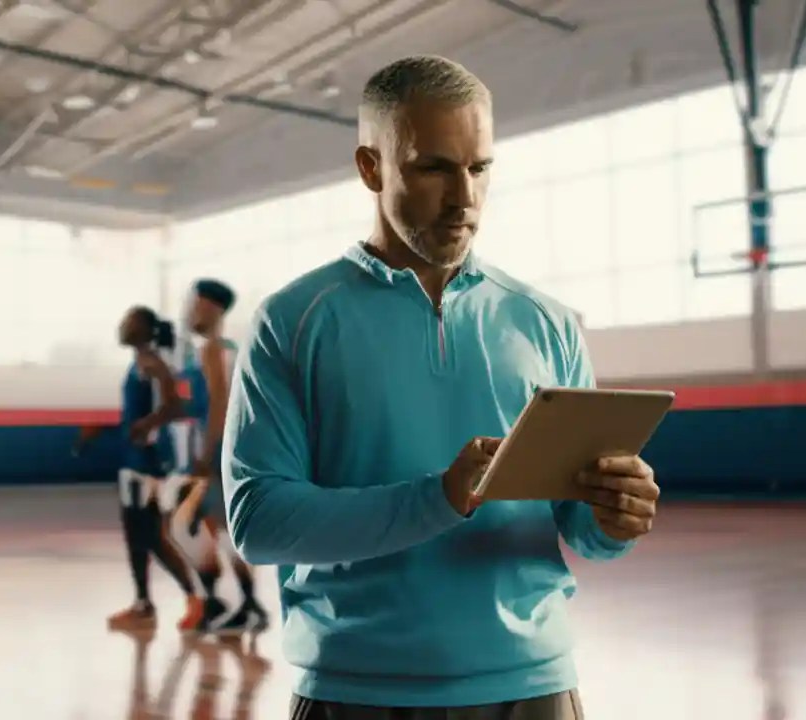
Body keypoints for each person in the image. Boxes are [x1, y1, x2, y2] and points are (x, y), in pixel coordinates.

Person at [220, 56, 661, 719]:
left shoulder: (544, 322)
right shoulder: (293, 321)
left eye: (479, 169)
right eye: (434, 169)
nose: (464, 198)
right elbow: (259, 521)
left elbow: (583, 526)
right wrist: (439, 498)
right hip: (353, 691)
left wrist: (615, 516)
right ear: (371, 167)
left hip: (531, 689)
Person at [75, 306, 205, 632]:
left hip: (145, 463)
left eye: (130, 320)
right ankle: (143, 604)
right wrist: (102, 430)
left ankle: (195, 597)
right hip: (131, 460)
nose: (123, 324)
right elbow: (136, 418)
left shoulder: (151, 362)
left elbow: (175, 405)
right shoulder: (138, 363)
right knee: (136, 537)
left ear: (145, 330)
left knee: (150, 537)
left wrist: (147, 424)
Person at [174, 280, 268, 635]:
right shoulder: (230, 348)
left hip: (220, 453)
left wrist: (207, 452)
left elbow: (219, 403)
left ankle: (238, 603)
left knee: (192, 526)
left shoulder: (212, 350)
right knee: (208, 528)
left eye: (196, 305)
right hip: (236, 450)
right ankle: (234, 603)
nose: (190, 312)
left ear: (212, 310)